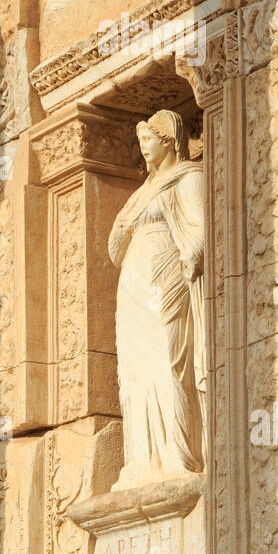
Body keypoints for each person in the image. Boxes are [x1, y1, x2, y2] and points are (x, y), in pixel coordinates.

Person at [108, 109, 206, 489]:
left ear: (168, 141)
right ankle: (141, 461)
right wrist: (121, 228)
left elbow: (199, 231)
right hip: (133, 283)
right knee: (135, 368)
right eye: (141, 141)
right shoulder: (140, 193)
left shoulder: (189, 178)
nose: (143, 148)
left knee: (169, 359)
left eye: (149, 140)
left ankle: (179, 455)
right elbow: (115, 250)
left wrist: (188, 261)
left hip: (166, 278)